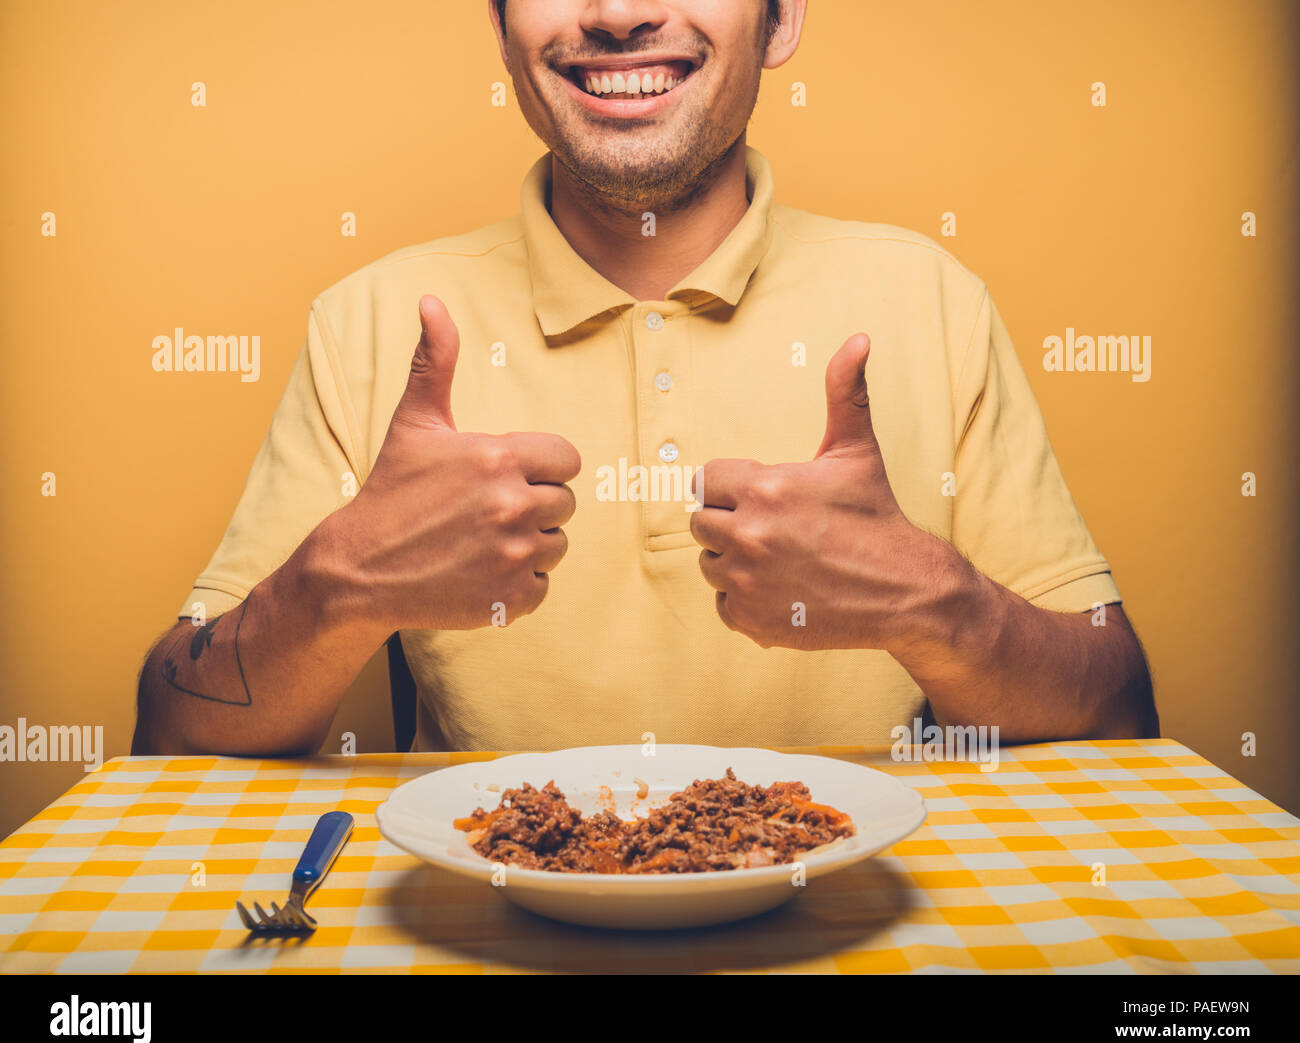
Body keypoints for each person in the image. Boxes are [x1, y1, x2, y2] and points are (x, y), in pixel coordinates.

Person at [133, 0, 1157, 757]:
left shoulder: (931, 298)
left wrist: (937, 606)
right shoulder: (370, 320)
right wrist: (333, 588)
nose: (619, 14)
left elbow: (1116, 716)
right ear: (498, 30)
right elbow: (174, 739)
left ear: (782, 16)